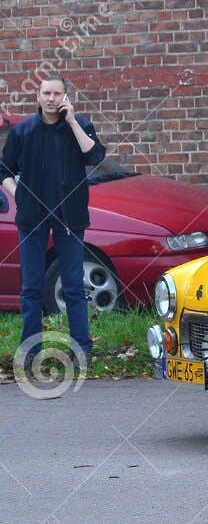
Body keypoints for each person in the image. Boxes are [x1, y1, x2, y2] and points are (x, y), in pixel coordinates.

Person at [0, 75, 107, 374]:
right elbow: (3, 169)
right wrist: (18, 194)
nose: (50, 98)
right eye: (46, 93)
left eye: (56, 93)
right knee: (31, 288)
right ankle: (30, 350)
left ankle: (82, 349)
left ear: (64, 97)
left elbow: (94, 155)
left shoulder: (80, 125)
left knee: (73, 286)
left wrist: (72, 121)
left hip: (69, 217)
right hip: (32, 219)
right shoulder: (24, 131)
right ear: (38, 96)